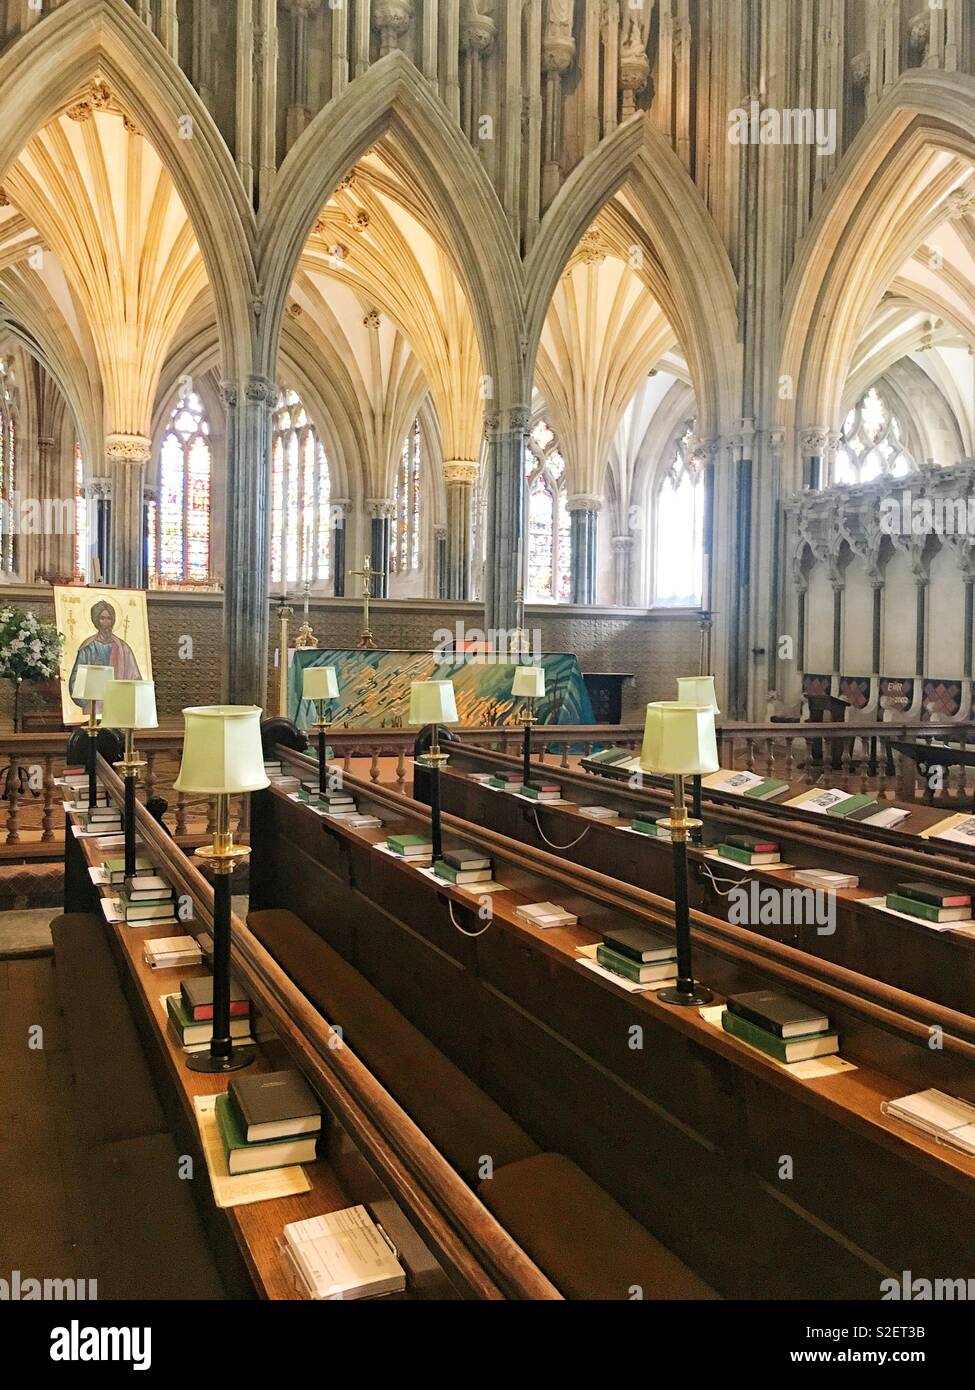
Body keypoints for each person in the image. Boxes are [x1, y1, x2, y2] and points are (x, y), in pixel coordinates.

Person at [69, 599, 142, 712]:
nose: (106, 622)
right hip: (94, 707)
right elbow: (76, 679)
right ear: (96, 621)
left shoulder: (123, 648)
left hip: (118, 706)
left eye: (109, 618)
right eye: (102, 618)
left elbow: (135, 678)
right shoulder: (88, 648)